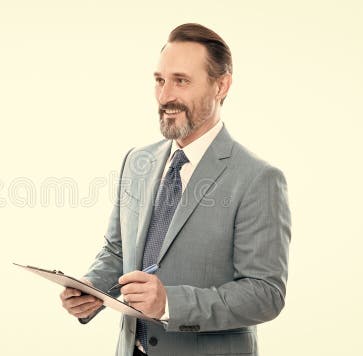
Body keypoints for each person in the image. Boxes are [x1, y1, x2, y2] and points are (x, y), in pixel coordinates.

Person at [59, 23, 291, 356]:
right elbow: (118, 250)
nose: (166, 96)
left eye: (181, 81)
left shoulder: (258, 178)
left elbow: (265, 294)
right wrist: (92, 288)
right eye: (160, 80)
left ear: (221, 85)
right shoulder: (136, 161)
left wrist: (170, 303)